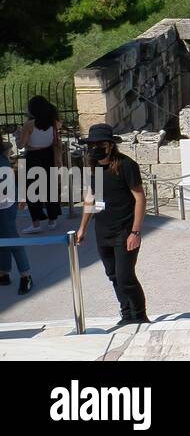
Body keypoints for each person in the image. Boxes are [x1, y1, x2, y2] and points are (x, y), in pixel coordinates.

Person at [75, 124, 149, 328]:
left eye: (100, 144)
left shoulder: (126, 165)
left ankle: (140, 315)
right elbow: (90, 199)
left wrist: (135, 231)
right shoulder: (94, 167)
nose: (95, 148)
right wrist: (83, 228)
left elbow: (140, 198)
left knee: (126, 276)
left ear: (110, 145)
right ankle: (127, 314)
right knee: (114, 275)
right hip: (103, 231)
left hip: (124, 230)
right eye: (92, 144)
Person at [18, 95, 64, 232]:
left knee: (33, 190)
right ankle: (52, 220)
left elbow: (22, 144)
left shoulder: (29, 125)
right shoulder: (55, 122)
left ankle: (36, 223)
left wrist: (17, 136)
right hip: (49, 155)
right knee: (51, 188)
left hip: (33, 157)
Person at [0, 140, 35, 295]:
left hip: (5, 203)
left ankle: (26, 275)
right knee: (3, 237)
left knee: (11, 238)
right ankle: (4, 272)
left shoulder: (1, 162)